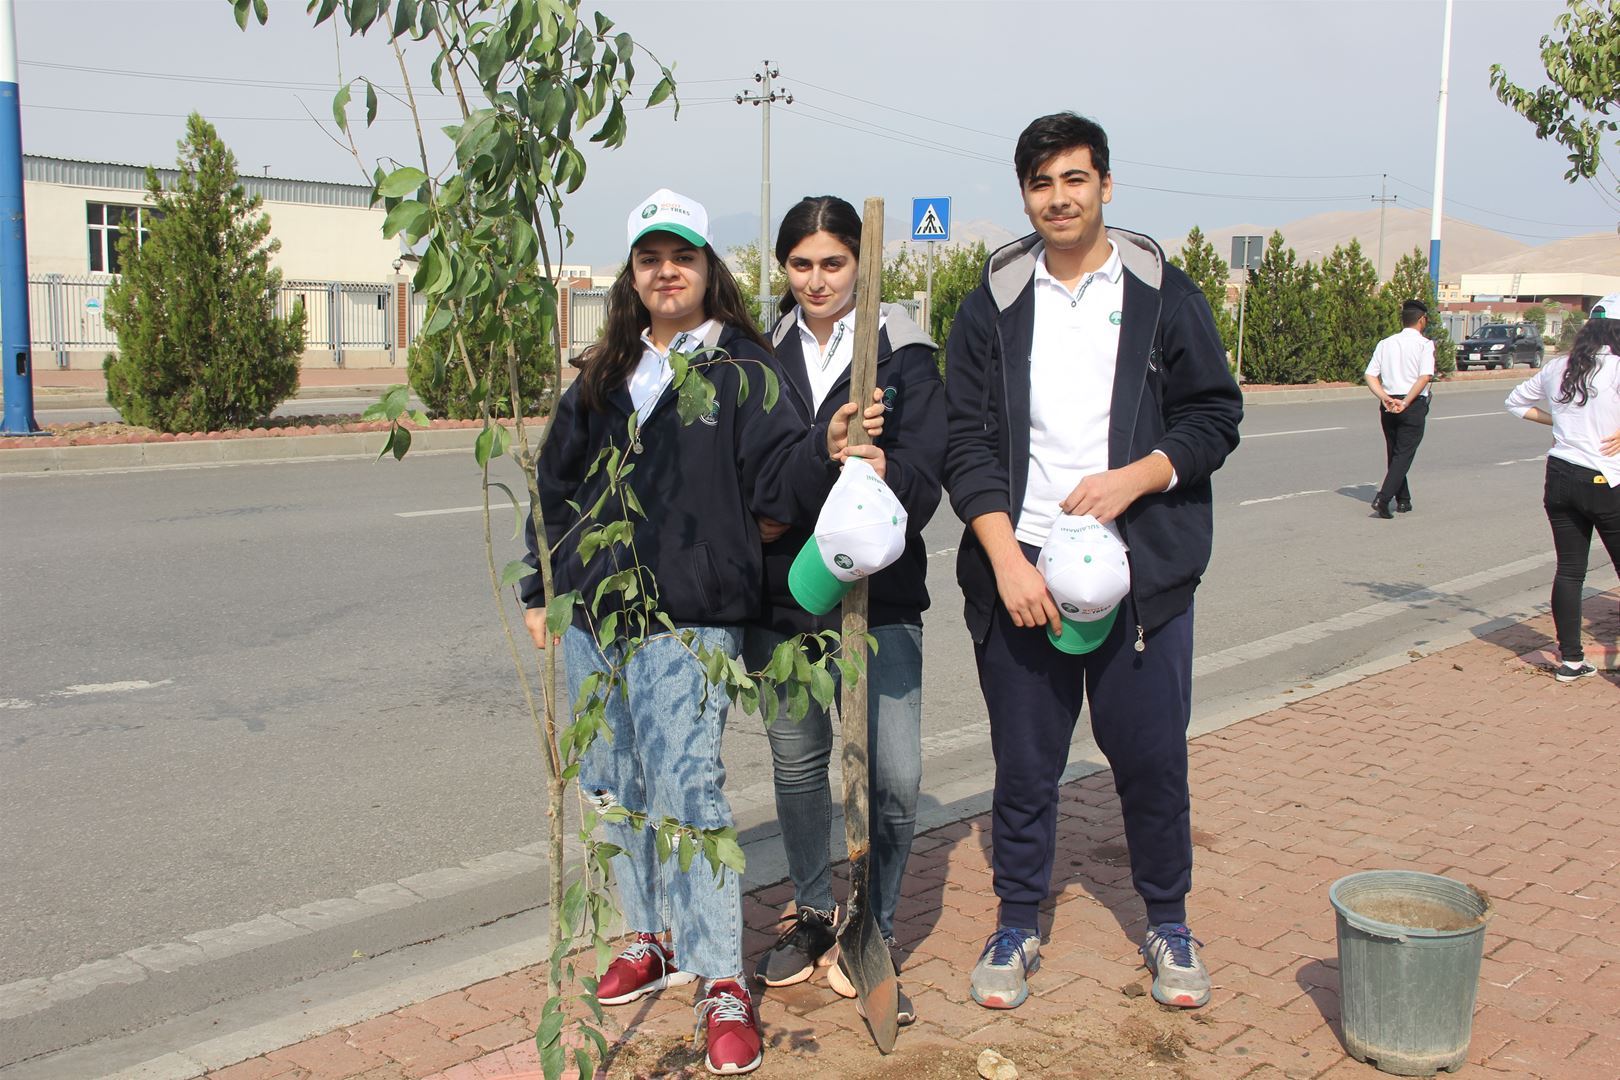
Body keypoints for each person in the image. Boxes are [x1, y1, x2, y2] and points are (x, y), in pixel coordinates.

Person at [519, 189, 882, 1076]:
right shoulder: (604, 373)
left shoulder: (741, 368)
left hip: (689, 620)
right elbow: (555, 487)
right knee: (612, 785)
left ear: (706, 267)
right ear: (632, 274)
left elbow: (777, 481)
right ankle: (649, 936)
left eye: (681, 256)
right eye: (650, 258)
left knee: (689, 792)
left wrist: (824, 446)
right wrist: (541, 588)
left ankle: (721, 979)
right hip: (595, 618)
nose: (666, 272)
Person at [941, 112, 1241, 1012]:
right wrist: (1006, 560)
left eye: (1075, 178)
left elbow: (1214, 415)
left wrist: (1136, 478)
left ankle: (1169, 922)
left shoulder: (1162, 294)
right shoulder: (994, 303)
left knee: (1151, 760)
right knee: (1025, 764)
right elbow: (965, 443)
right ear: (1024, 194)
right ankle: (1016, 922)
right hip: (1024, 568)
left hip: (1138, 572)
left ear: (1106, 185)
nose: (1059, 197)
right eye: (1041, 182)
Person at [744, 197, 945, 1021]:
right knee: (798, 766)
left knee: (895, 775)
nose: (817, 280)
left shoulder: (905, 355)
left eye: (833, 262)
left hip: (882, 598)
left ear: (861, 262)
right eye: (801, 264)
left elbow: (926, 484)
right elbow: (755, 488)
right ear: (783, 269)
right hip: (786, 600)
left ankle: (873, 925)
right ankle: (813, 910)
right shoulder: (759, 358)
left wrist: (882, 469)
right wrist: (822, 454)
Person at [1505, 317, 1620, 682]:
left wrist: (1559, 424)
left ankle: (1570, 661)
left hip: (1560, 476)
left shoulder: (1558, 367)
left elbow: (1515, 403)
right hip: (1604, 480)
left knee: (1570, 571)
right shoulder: (1616, 368)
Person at [1365, 300, 1436, 518]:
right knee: (1403, 454)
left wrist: (1385, 398)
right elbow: (1425, 377)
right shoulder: (1424, 345)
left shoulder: (1385, 343)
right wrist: (1405, 402)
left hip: (1388, 404)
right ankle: (1383, 498)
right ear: (1422, 320)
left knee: (1395, 452)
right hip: (1411, 403)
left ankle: (1403, 499)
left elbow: (1370, 375)